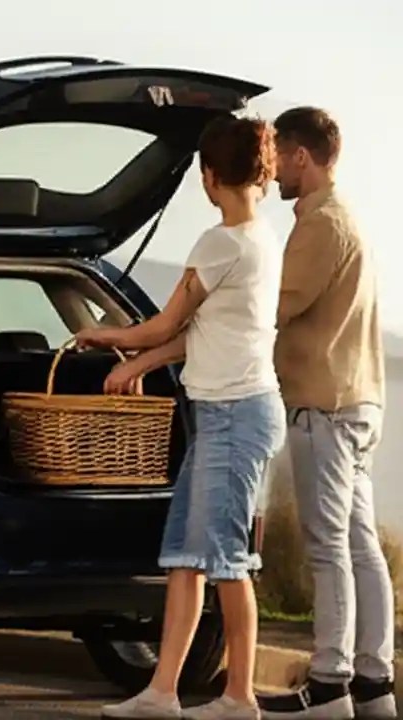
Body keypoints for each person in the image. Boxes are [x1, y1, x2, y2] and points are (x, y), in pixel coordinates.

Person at [79, 115, 287, 720]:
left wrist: (103, 336)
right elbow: (198, 335)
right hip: (231, 412)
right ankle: (162, 692)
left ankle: (239, 697)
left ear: (209, 176)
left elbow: (167, 324)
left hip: (233, 416)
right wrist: (137, 361)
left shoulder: (220, 242)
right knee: (187, 557)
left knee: (225, 561)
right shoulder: (261, 237)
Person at [257, 107, 396, 720]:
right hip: (358, 402)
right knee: (361, 546)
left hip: (324, 407)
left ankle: (330, 681)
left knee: (327, 545)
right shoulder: (347, 220)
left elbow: (276, 305)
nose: (274, 169)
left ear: (302, 157)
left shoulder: (320, 227)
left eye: (279, 155)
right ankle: (373, 684)